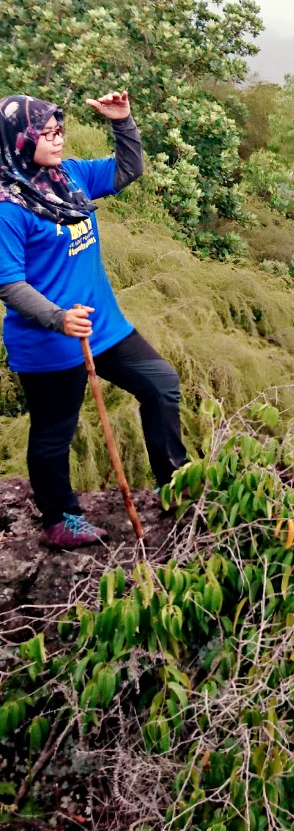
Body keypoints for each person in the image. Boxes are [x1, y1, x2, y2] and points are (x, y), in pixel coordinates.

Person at [0, 92, 187, 548]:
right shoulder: (8, 207)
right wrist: (58, 318)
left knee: (160, 385)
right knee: (54, 432)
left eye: (58, 129)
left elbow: (128, 170)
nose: (56, 139)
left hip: (103, 326)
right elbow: (8, 283)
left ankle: (175, 483)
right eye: (45, 133)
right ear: (19, 140)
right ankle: (61, 519)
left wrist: (123, 121)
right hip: (51, 338)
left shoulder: (71, 177)